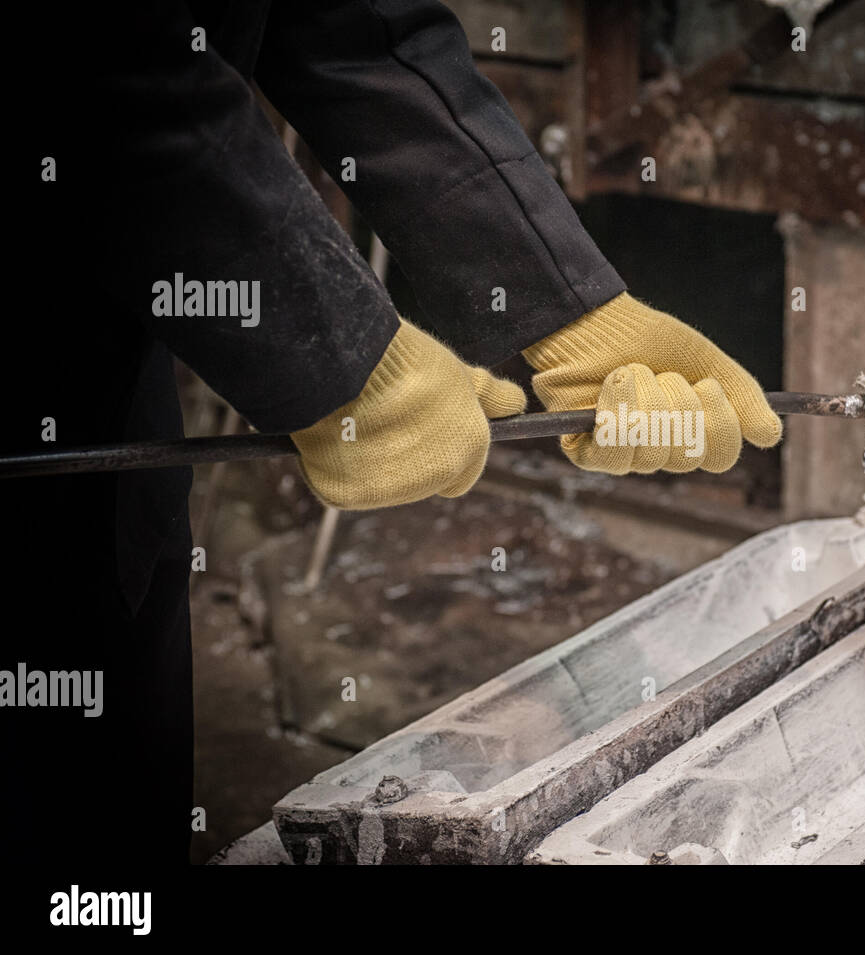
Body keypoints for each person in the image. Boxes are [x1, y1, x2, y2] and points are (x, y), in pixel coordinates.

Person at [6, 0, 779, 864]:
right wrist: (337, 350)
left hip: (109, 385)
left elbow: (360, 25)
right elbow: (84, 54)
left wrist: (565, 305)